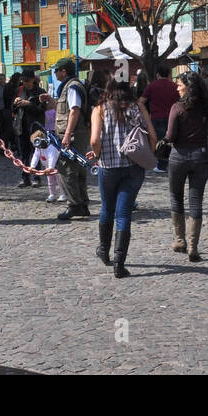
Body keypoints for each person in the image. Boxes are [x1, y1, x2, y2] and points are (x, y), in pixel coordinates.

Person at [87, 79, 154, 279]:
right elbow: (153, 136)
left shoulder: (99, 109)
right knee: (123, 214)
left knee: (107, 208)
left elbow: (94, 140)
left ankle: (104, 251)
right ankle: (119, 264)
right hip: (133, 167)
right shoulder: (135, 109)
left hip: (108, 168)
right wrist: (148, 155)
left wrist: (97, 155)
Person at [164, 70, 208, 260]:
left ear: (188, 87)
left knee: (176, 197)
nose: (177, 88)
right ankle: (193, 247)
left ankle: (180, 240)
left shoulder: (177, 108)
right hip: (201, 157)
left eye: (180, 84)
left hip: (178, 157)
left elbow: (170, 136)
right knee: (196, 201)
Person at [52, 59, 91, 220]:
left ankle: (74, 205)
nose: (55, 74)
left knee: (65, 169)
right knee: (78, 170)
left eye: (57, 71)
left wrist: (67, 134)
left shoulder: (72, 87)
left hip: (75, 134)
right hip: (77, 133)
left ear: (64, 71)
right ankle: (82, 205)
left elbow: (74, 110)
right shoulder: (69, 86)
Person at [140, 65, 179, 173]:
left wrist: (145, 115)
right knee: (172, 141)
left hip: (156, 117)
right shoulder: (175, 86)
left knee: (160, 142)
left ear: (157, 74)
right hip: (173, 117)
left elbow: (141, 102)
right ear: (170, 74)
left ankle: (161, 165)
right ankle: (172, 163)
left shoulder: (151, 86)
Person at [12, 69, 46, 187]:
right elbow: (13, 109)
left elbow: (41, 110)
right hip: (21, 125)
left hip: (35, 126)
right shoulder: (19, 90)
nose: (25, 83)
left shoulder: (40, 92)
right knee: (23, 154)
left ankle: (36, 177)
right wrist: (15, 103)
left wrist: (29, 104)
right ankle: (25, 177)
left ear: (33, 80)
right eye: (23, 80)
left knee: (36, 152)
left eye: (27, 80)